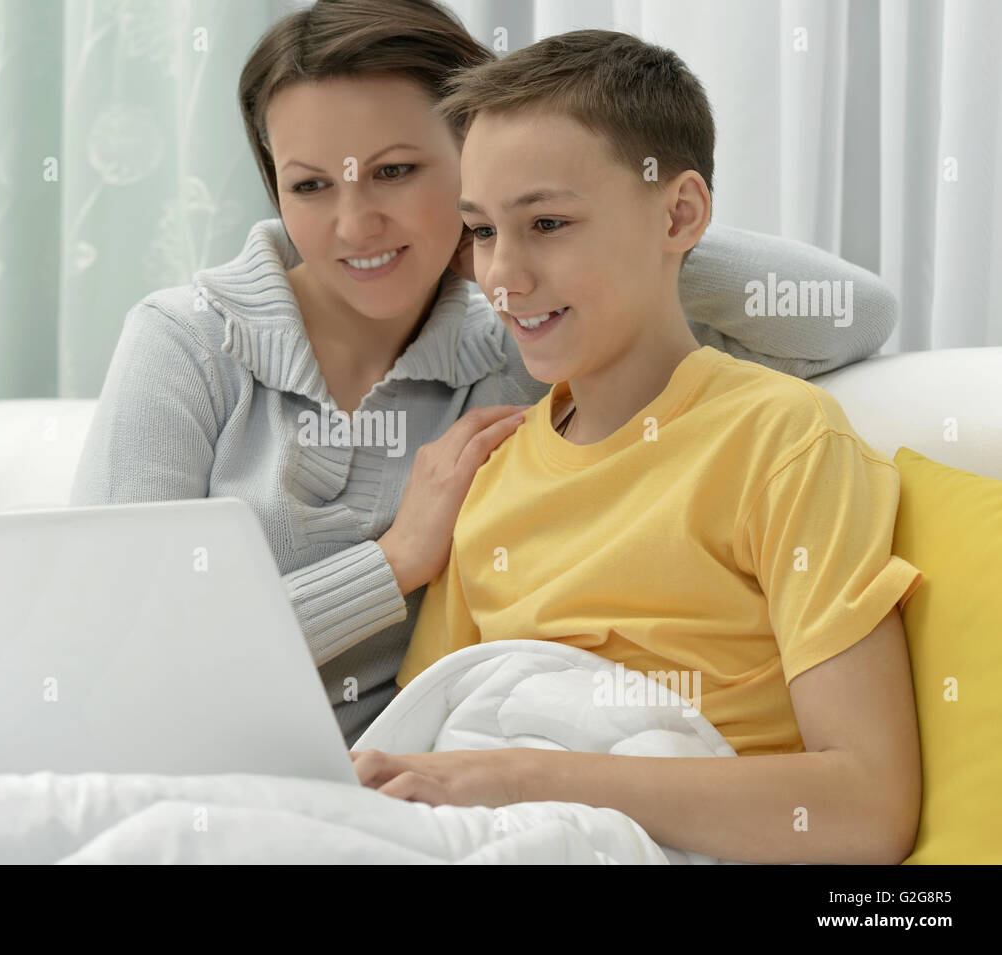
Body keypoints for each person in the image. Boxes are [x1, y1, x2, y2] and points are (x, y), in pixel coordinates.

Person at [70, 0, 900, 746]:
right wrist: (392, 562)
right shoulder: (186, 343)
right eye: (311, 185)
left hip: (396, 802)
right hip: (175, 767)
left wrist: (572, 218)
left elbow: (848, 314)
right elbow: (109, 658)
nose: (355, 223)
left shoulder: (521, 344)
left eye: (396, 171)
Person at [353, 29, 924, 865]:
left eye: (547, 222)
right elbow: (430, 749)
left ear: (680, 212)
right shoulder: (491, 472)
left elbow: (867, 808)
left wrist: (523, 777)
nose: (503, 276)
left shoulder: (779, 440)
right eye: (480, 231)